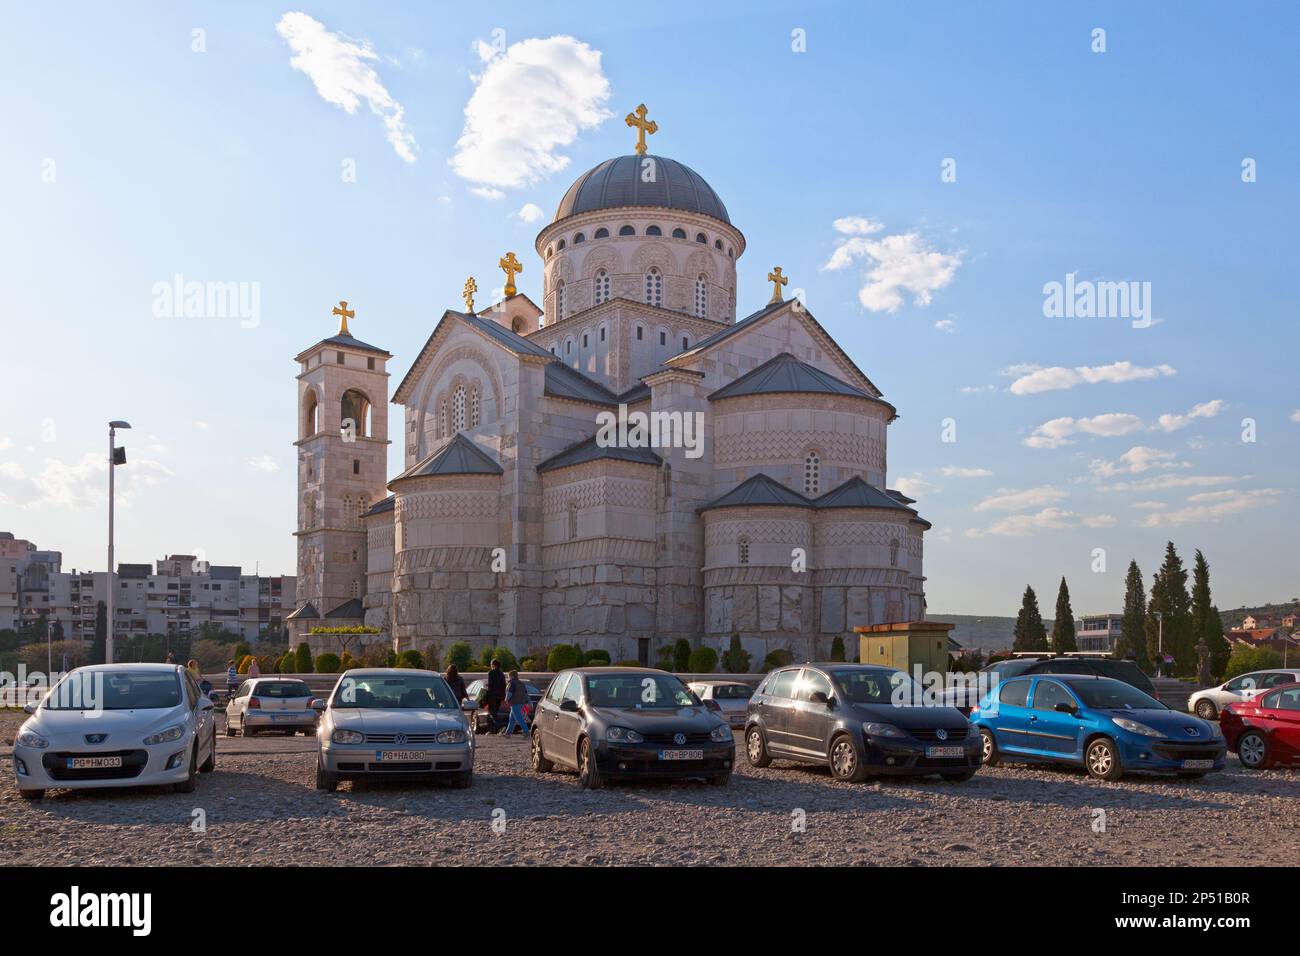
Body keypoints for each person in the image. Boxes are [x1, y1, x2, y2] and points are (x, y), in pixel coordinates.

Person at [503, 670, 531, 738]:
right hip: (522, 702)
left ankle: (527, 732)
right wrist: (528, 702)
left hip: (514, 702)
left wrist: (506, 700)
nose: (508, 678)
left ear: (511, 676)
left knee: (519, 718)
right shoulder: (521, 683)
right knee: (512, 718)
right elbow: (526, 693)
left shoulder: (512, 683)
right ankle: (508, 733)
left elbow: (509, 693)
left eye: (508, 676)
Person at [484, 658, 506, 734]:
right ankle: (492, 730)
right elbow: (504, 685)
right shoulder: (502, 674)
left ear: (493, 665)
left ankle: (500, 726)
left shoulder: (491, 673)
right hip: (499, 696)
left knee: (492, 713)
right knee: (494, 712)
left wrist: (487, 687)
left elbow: (490, 685)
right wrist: (503, 697)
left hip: (492, 696)